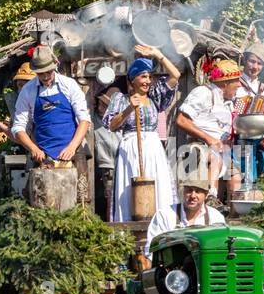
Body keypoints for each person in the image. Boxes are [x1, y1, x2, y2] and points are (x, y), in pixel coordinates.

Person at [105, 45, 180, 223]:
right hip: (131, 147)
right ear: (133, 79)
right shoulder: (120, 99)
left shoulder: (155, 96)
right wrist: (130, 108)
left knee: (158, 188)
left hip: (153, 148)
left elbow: (175, 76)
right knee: (130, 191)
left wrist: (158, 54)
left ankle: (161, 228)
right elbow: (112, 125)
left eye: (149, 76)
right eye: (143, 76)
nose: (147, 81)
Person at [10, 45, 91, 202]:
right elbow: (18, 128)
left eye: (48, 71)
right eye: (41, 73)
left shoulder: (69, 85)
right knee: (42, 199)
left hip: (72, 151)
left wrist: (72, 147)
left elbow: (84, 120)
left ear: (54, 66)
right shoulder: (28, 91)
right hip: (43, 155)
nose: (46, 76)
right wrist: (33, 148)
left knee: (80, 200)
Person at [176, 58, 243, 201]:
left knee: (236, 178)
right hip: (199, 147)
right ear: (225, 83)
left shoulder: (228, 103)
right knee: (215, 159)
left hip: (221, 151)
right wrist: (209, 138)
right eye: (236, 81)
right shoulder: (203, 93)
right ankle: (211, 198)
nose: (239, 84)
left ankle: (232, 215)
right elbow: (181, 120)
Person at [144, 173, 227, 253]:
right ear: (183, 191)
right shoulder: (165, 215)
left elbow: (221, 248)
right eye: (189, 190)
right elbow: (150, 249)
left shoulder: (216, 217)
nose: (193, 196)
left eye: (197, 191)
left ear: (206, 195)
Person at [93, 88, 120, 219]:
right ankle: (110, 225)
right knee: (109, 195)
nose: (100, 108)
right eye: (99, 104)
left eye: (104, 105)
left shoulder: (121, 121)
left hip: (120, 162)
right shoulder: (95, 119)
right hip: (107, 165)